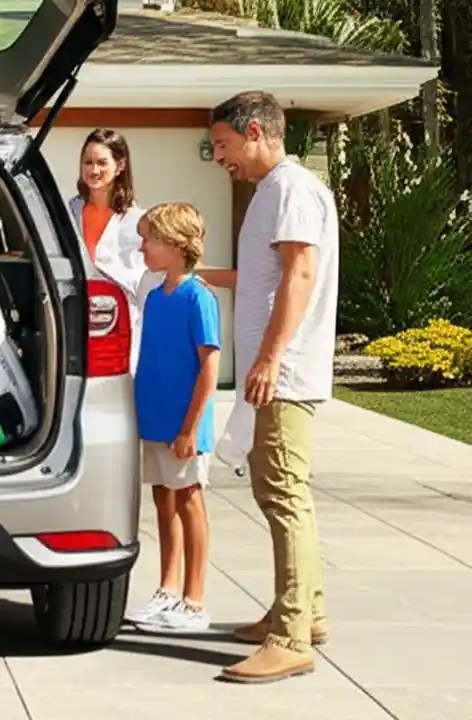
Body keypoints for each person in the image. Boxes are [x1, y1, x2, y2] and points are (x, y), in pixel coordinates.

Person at [199, 90, 338, 684]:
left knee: (283, 493)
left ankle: (291, 638)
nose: (219, 157)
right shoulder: (273, 194)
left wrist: (268, 359)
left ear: (255, 131)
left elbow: (300, 273)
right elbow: (262, 275)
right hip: (276, 369)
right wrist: (184, 273)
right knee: (275, 489)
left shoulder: (290, 189)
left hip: (284, 371)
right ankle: (307, 611)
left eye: (224, 145)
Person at [123, 202, 221, 635]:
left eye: (150, 239)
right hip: (155, 420)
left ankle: (194, 600)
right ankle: (167, 589)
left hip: (183, 426)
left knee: (189, 500)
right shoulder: (154, 293)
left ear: (178, 246)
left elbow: (208, 369)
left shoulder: (198, 297)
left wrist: (189, 429)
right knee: (164, 500)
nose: (142, 246)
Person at [67, 128, 159, 367]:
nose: (93, 170)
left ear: (120, 166)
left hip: (122, 328)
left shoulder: (139, 221)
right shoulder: (67, 213)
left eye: (101, 163)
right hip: (76, 326)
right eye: (88, 162)